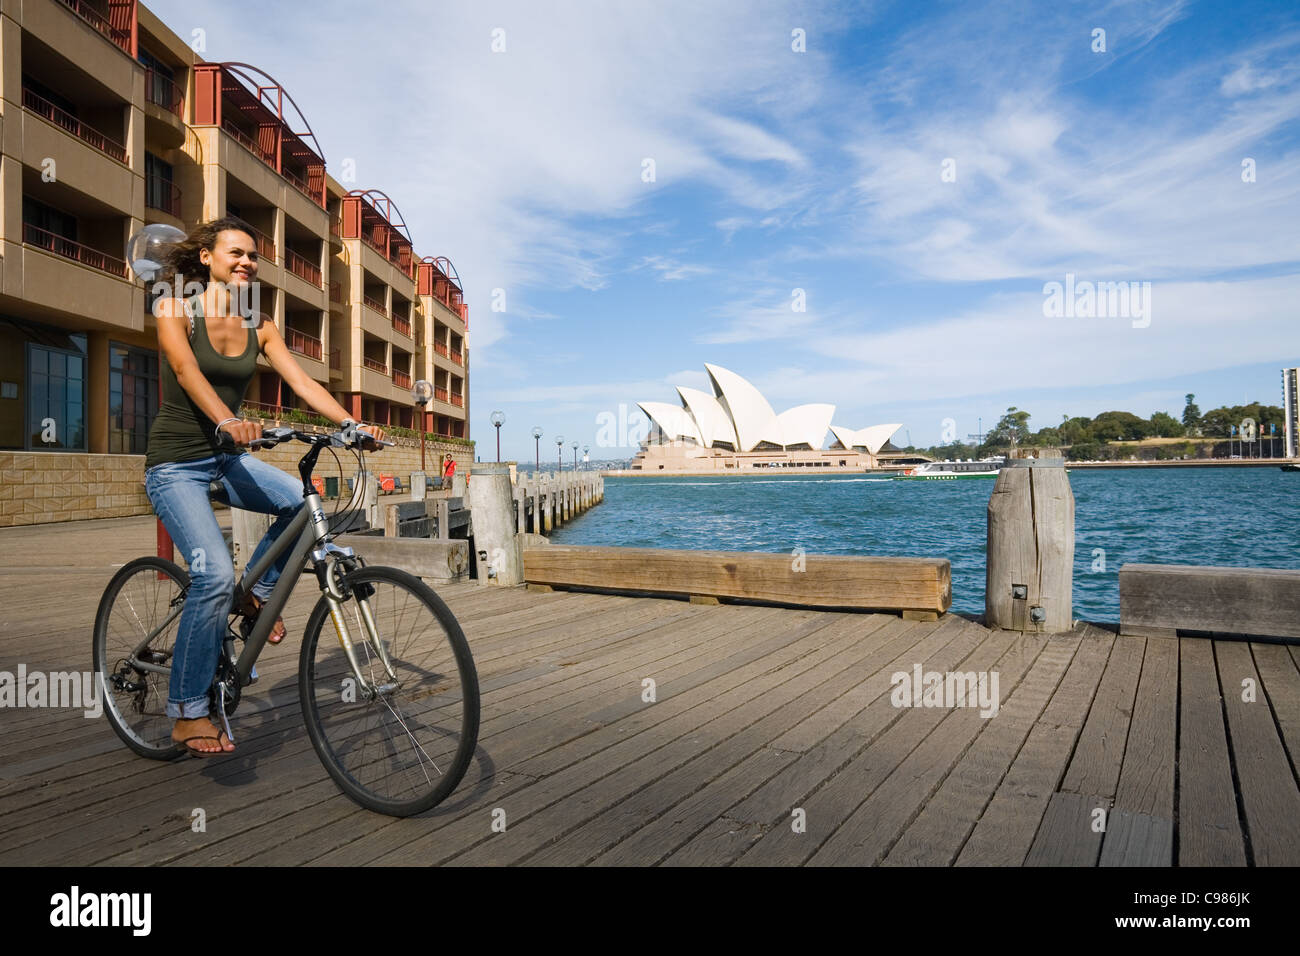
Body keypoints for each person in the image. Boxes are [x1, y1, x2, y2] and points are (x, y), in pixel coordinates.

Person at [144, 216, 385, 756]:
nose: (247, 261)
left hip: (228, 460)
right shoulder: (174, 305)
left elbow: (301, 383)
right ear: (206, 257)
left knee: (300, 504)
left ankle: (256, 595)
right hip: (176, 465)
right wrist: (228, 421)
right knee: (210, 575)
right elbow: (186, 371)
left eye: (253, 255)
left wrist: (351, 424)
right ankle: (186, 712)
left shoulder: (259, 323)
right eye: (236, 252)